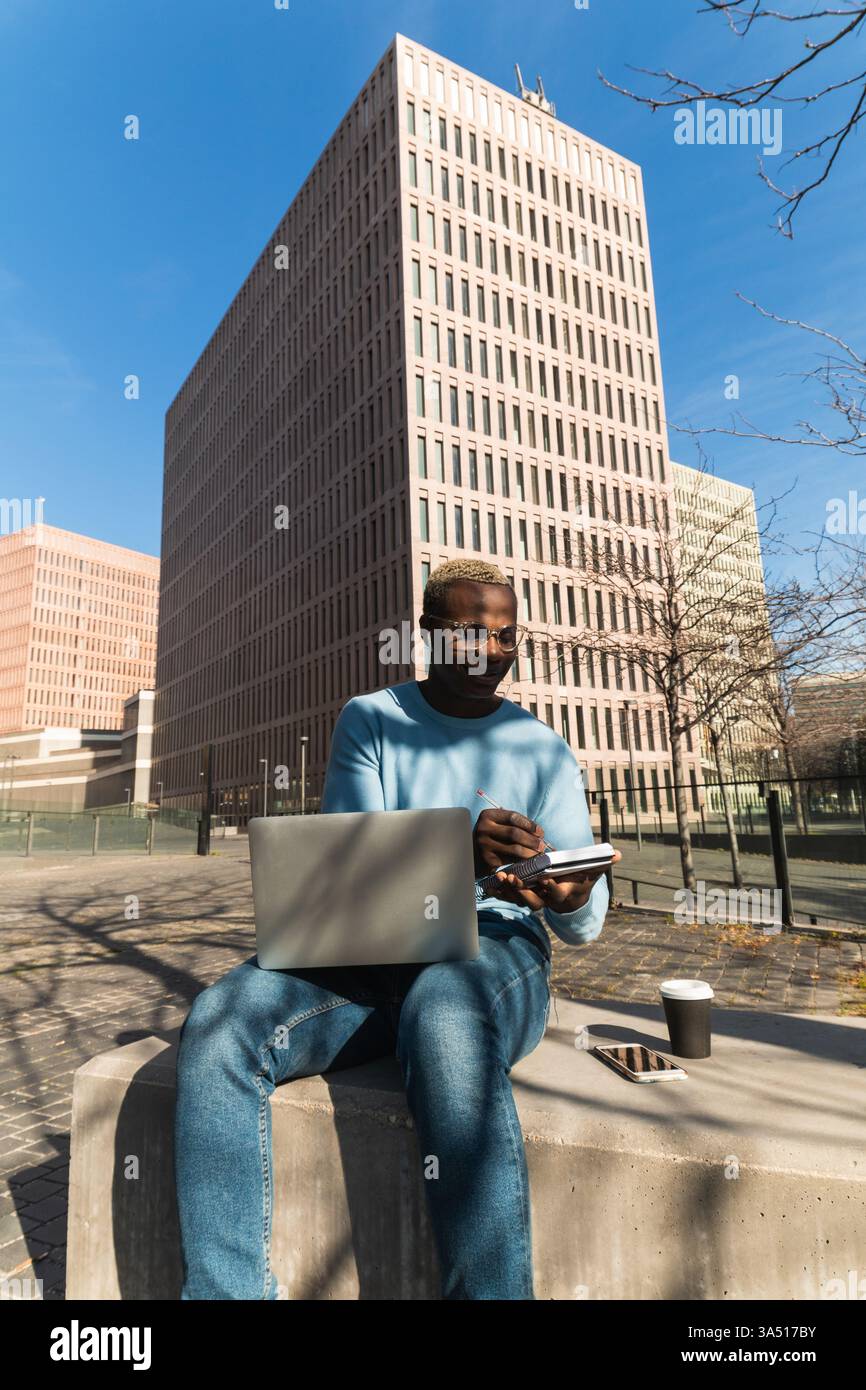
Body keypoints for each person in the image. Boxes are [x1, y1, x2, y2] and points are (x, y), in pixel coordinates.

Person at [174, 558, 616, 1300]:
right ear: (428, 636)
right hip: (372, 947)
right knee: (219, 1020)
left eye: (505, 636)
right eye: (467, 633)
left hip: (492, 948)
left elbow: (585, 923)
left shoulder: (541, 748)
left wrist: (565, 894)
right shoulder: (372, 719)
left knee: (443, 1009)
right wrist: (455, 853)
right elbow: (351, 881)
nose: (488, 653)